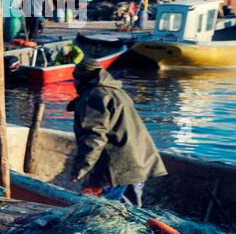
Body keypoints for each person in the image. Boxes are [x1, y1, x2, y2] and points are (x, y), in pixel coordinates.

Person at [67, 57, 166, 206]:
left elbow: (94, 137)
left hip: (117, 170)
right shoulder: (118, 93)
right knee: (131, 215)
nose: (73, 83)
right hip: (138, 164)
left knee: (103, 213)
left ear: (80, 79)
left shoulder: (93, 97)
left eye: (74, 79)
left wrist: (80, 169)